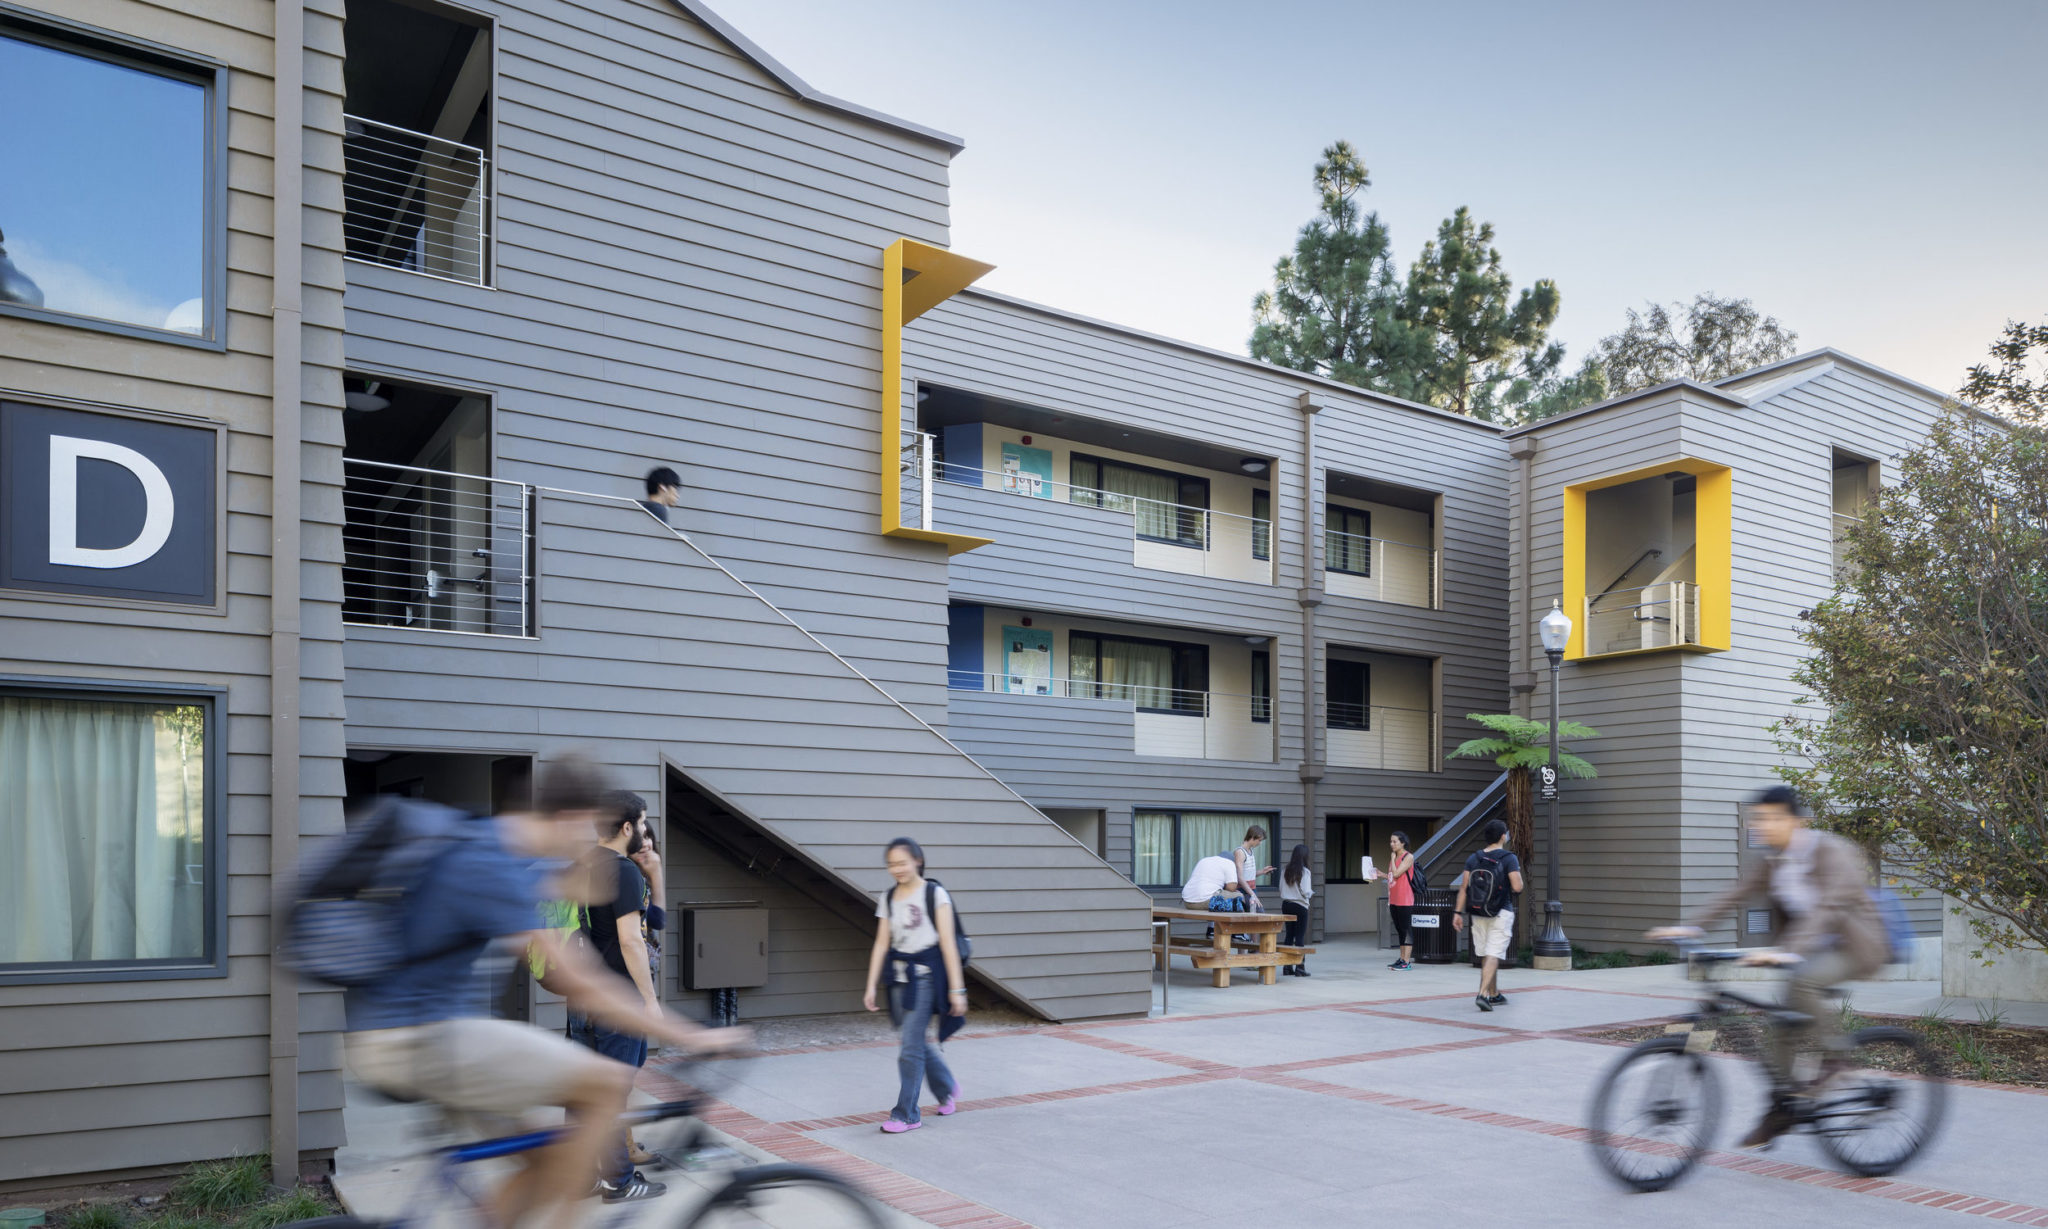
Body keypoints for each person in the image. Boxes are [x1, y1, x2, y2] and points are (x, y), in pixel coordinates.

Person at [342, 755, 747, 1226]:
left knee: (546, 1162)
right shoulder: (494, 860)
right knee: (603, 1086)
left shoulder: (493, 849)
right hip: (418, 1038)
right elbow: (583, 980)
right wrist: (692, 1036)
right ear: (569, 817)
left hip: (410, 1034)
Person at [1649, 785, 1889, 1148]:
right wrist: (1691, 926)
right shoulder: (1772, 861)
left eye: (1775, 818)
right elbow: (1736, 893)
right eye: (1760, 818)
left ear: (1798, 822)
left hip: (1854, 947)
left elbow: (1830, 908)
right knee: (1780, 1028)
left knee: (1803, 983)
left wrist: (1788, 951)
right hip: (1808, 950)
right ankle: (1783, 1107)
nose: (1765, 825)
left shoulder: (1831, 853)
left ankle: (1839, 1058)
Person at [862, 838, 966, 1133]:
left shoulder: (935, 894)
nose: (896, 869)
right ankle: (946, 1087)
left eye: (902, 862)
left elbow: (948, 945)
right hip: (898, 978)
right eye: (891, 864)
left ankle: (907, 1114)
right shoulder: (889, 896)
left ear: (917, 861)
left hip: (926, 977)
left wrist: (957, 990)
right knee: (915, 1040)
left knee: (909, 1047)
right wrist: (870, 985)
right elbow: (881, 944)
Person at [1452, 818, 1523, 1013]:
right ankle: (1483, 994)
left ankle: (1494, 993)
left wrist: (1457, 913)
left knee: (1485, 954)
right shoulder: (1509, 858)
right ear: (1503, 836)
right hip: (1501, 911)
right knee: (1494, 953)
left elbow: (1464, 888)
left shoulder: (1474, 858)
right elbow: (1517, 887)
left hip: (1478, 912)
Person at [1278, 843, 1314, 977]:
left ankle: (1287, 967)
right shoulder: (1305, 872)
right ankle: (1300, 967)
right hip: (1300, 906)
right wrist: (1310, 893)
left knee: (1289, 935)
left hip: (1286, 904)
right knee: (1299, 936)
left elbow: (1281, 889)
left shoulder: (1285, 870)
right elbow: (1305, 891)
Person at [1384, 831, 1418, 971]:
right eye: (1391, 841)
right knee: (1399, 930)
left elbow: (1397, 873)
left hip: (1405, 898)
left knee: (1406, 929)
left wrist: (1392, 858)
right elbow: (1392, 877)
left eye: (1395, 841)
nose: (1392, 844)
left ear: (1402, 843)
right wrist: (1381, 874)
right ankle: (1401, 958)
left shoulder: (1408, 857)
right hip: (1394, 898)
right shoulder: (1395, 857)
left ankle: (1406, 962)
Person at [1234, 825, 1274, 913]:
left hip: (1251, 890)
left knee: (1253, 921)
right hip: (1244, 891)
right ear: (1252, 837)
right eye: (1259, 840)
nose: (1260, 843)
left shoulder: (1250, 851)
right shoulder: (1240, 852)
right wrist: (1252, 895)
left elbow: (1248, 874)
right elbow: (1240, 877)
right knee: (1260, 916)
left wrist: (1263, 871)